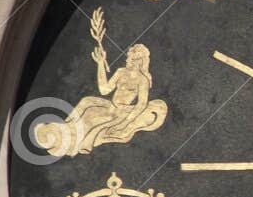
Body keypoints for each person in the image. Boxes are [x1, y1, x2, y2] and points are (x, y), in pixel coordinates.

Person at [36, 42, 166, 158]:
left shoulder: (142, 80)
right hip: (110, 105)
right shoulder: (121, 72)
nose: (127, 60)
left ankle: (71, 143)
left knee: (94, 123)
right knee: (87, 101)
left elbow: (141, 105)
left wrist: (126, 121)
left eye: (130, 59)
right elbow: (104, 89)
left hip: (122, 111)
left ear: (139, 61)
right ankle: (66, 127)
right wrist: (100, 64)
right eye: (128, 57)